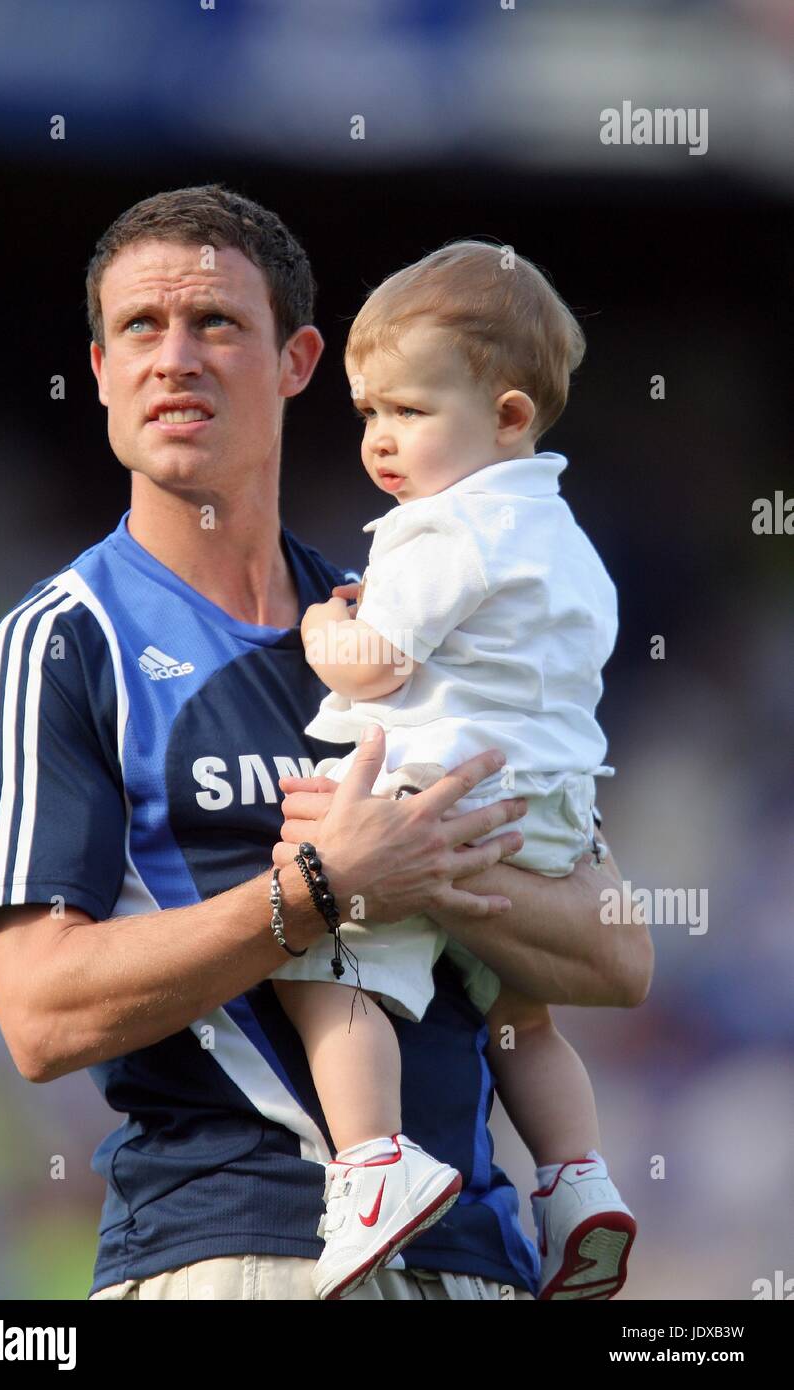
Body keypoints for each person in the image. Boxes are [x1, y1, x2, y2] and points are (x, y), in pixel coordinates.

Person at [0, 184, 653, 1302]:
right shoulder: (60, 645)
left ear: (298, 360)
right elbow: (39, 1013)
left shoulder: (399, 618)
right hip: (230, 1251)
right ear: (101, 369)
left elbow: (614, 955)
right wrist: (316, 889)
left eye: (216, 323)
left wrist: (422, 871)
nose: (174, 357)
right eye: (140, 327)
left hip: (480, 1262)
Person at [269, 241, 637, 1301]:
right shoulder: (563, 537)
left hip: (429, 794)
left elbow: (378, 661)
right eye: (367, 414)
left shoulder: (448, 529)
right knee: (521, 1018)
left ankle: (373, 1163)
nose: (380, 441)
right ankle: (576, 1179)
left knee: (328, 957)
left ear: (509, 417)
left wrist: (316, 627)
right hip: (551, 816)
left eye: (409, 413)